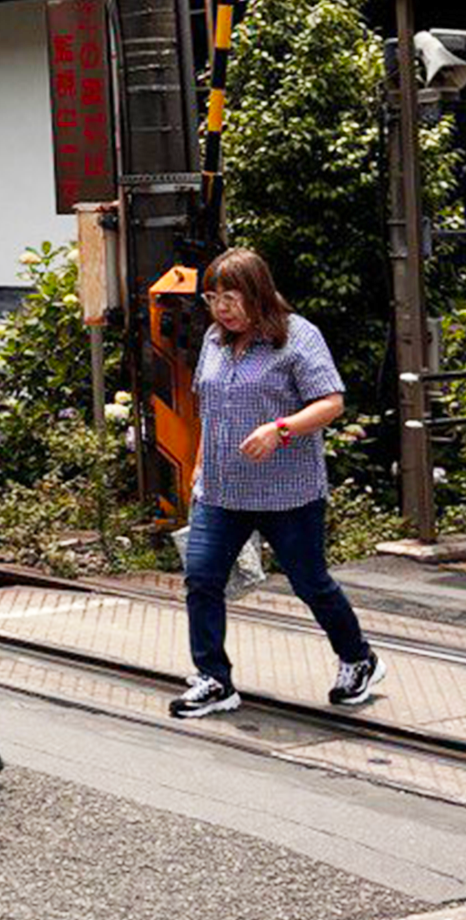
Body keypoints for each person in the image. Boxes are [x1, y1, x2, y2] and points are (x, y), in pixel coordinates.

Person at [171, 247, 383, 718]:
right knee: (201, 579)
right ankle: (214, 679)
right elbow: (209, 408)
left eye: (231, 297)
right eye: (213, 297)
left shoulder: (297, 338)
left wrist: (279, 429)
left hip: (288, 493)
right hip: (221, 492)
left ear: (258, 294)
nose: (222, 308)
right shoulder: (214, 339)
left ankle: (358, 658)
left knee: (311, 583)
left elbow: (331, 403)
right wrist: (199, 466)